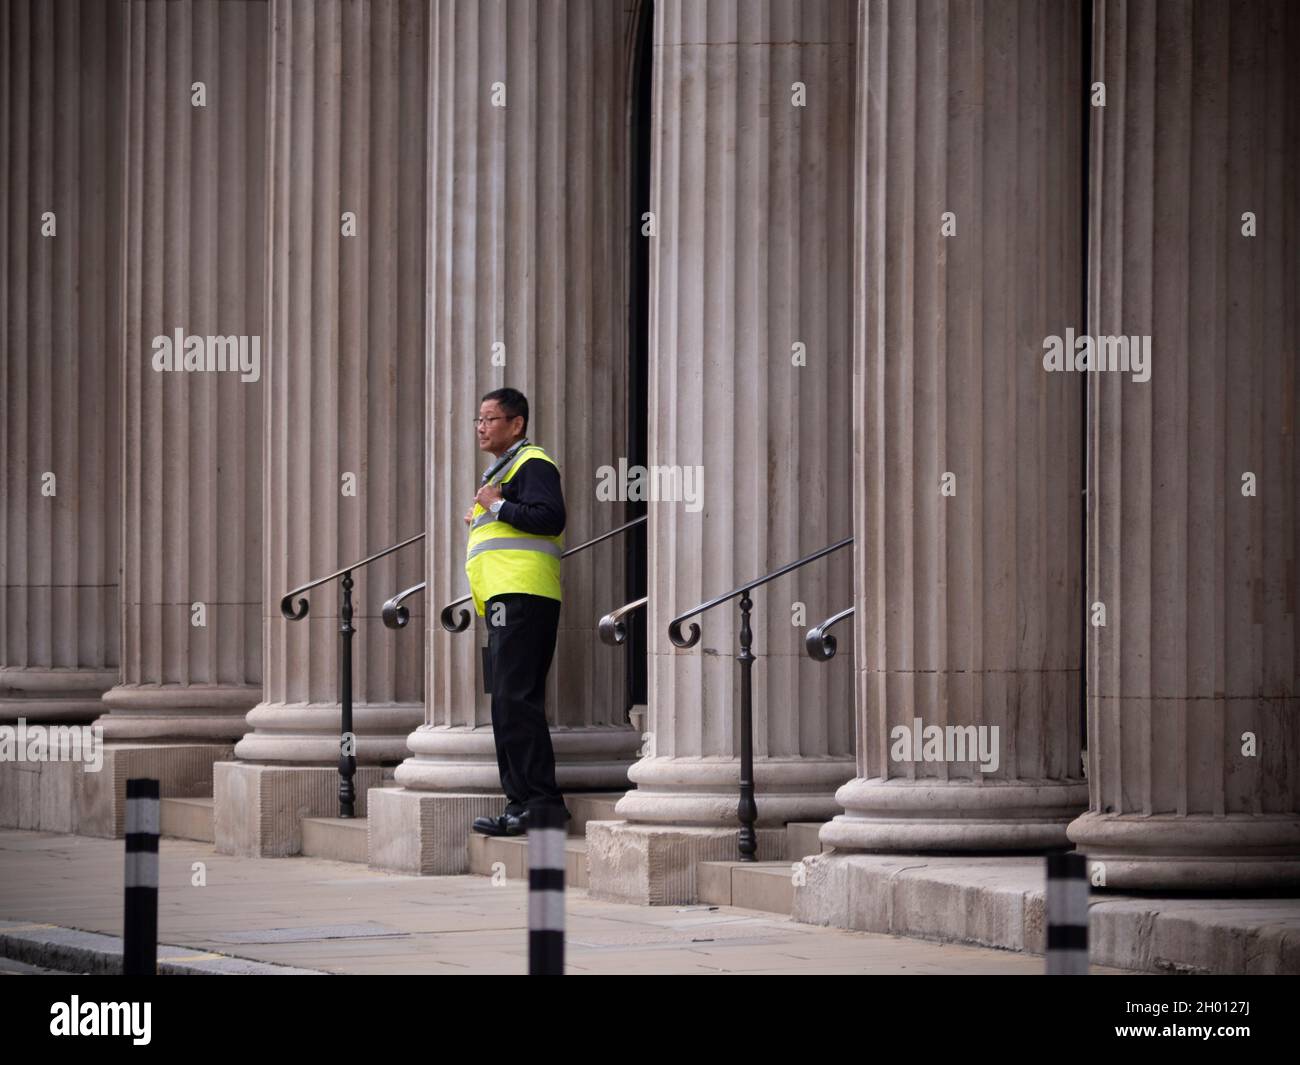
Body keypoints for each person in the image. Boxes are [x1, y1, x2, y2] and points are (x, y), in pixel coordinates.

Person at [465, 388, 571, 837]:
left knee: (516, 701)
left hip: (524, 596)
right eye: (479, 419)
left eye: (491, 418)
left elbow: (551, 517)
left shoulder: (534, 463)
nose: (482, 426)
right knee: (508, 703)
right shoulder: (506, 470)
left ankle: (539, 805)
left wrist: (496, 504)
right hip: (507, 599)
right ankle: (521, 805)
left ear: (517, 423)